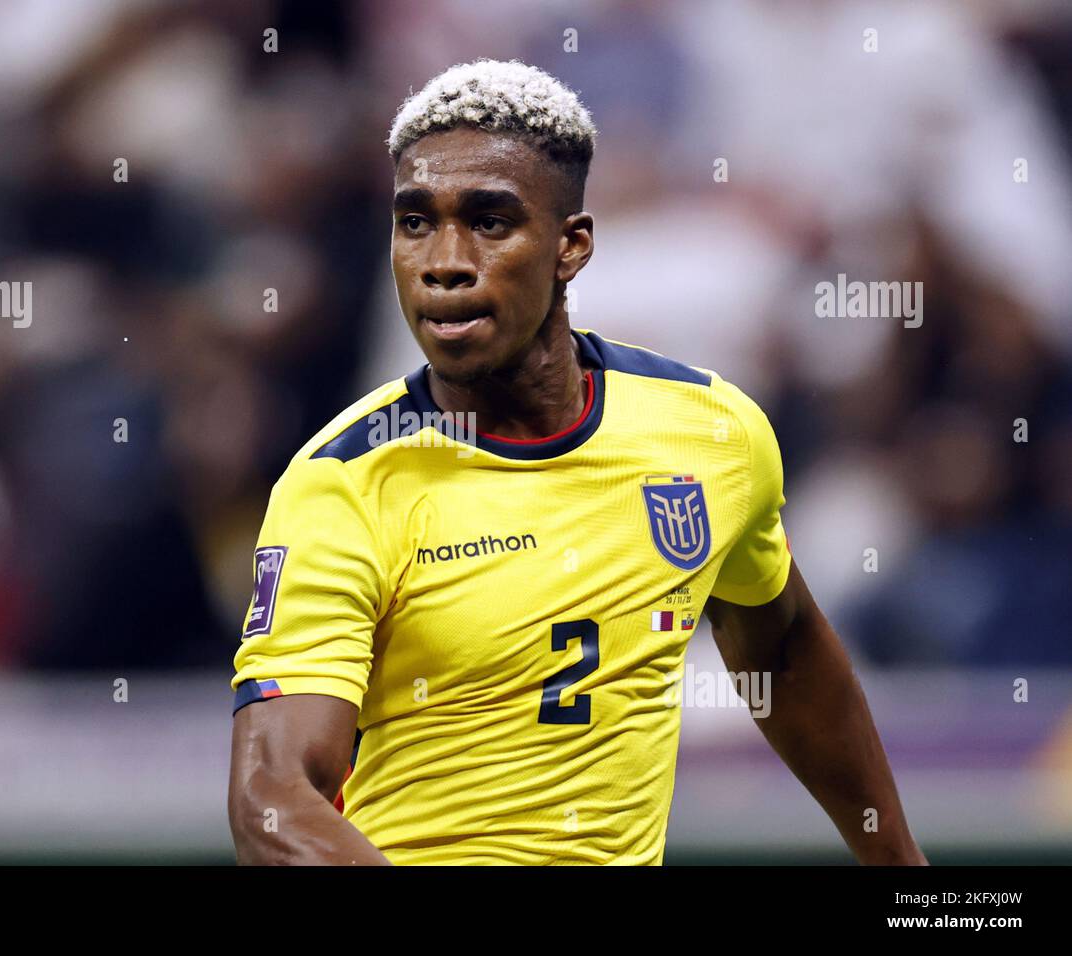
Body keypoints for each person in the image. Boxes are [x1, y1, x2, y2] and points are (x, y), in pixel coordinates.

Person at [227, 59, 926, 866]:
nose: (442, 261)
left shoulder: (709, 434)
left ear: (572, 247)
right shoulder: (343, 485)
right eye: (415, 222)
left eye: (489, 222)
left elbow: (782, 645)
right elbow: (273, 799)